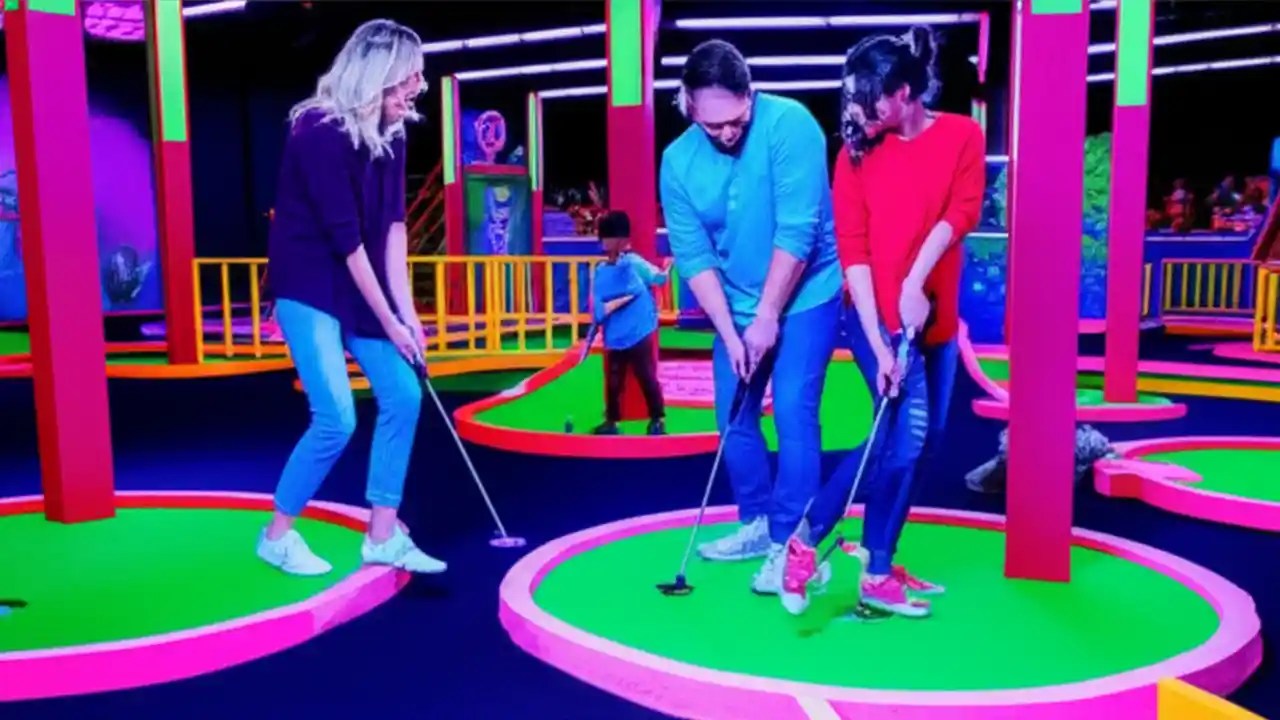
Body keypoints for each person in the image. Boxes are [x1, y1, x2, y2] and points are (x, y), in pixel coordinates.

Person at [780, 26, 985, 617]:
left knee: (924, 444)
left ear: (905, 93)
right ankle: (810, 541)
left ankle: (879, 558)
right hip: (875, 319)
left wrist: (918, 282)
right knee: (903, 438)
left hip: (933, 318)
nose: (856, 113)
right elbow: (855, 249)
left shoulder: (962, 136)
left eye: (868, 101)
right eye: (851, 98)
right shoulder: (854, 154)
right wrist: (879, 337)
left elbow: (961, 213)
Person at [256, 19, 445, 576]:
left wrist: (409, 317)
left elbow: (391, 229)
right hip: (309, 280)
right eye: (408, 78)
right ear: (376, 76)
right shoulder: (317, 130)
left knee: (404, 394)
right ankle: (276, 535)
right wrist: (390, 322)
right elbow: (348, 243)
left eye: (418, 78)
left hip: (359, 277)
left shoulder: (397, 130)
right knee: (335, 416)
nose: (416, 87)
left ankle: (383, 534)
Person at [660, 39, 843, 594]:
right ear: (688, 104)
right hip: (733, 302)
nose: (727, 134)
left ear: (750, 95)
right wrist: (729, 331)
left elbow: (798, 231)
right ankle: (757, 524)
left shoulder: (792, 125)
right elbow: (693, 256)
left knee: (792, 409)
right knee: (733, 417)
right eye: (711, 125)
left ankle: (793, 544)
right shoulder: (678, 162)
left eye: (735, 120)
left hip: (808, 290)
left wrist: (767, 317)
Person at [590, 210, 669, 436]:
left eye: (607, 236)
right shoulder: (601, 271)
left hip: (638, 331)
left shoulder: (634, 263)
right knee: (614, 381)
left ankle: (657, 419)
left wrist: (665, 271)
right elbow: (597, 308)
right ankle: (611, 422)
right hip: (615, 336)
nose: (604, 241)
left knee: (646, 376)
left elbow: (657, 277)